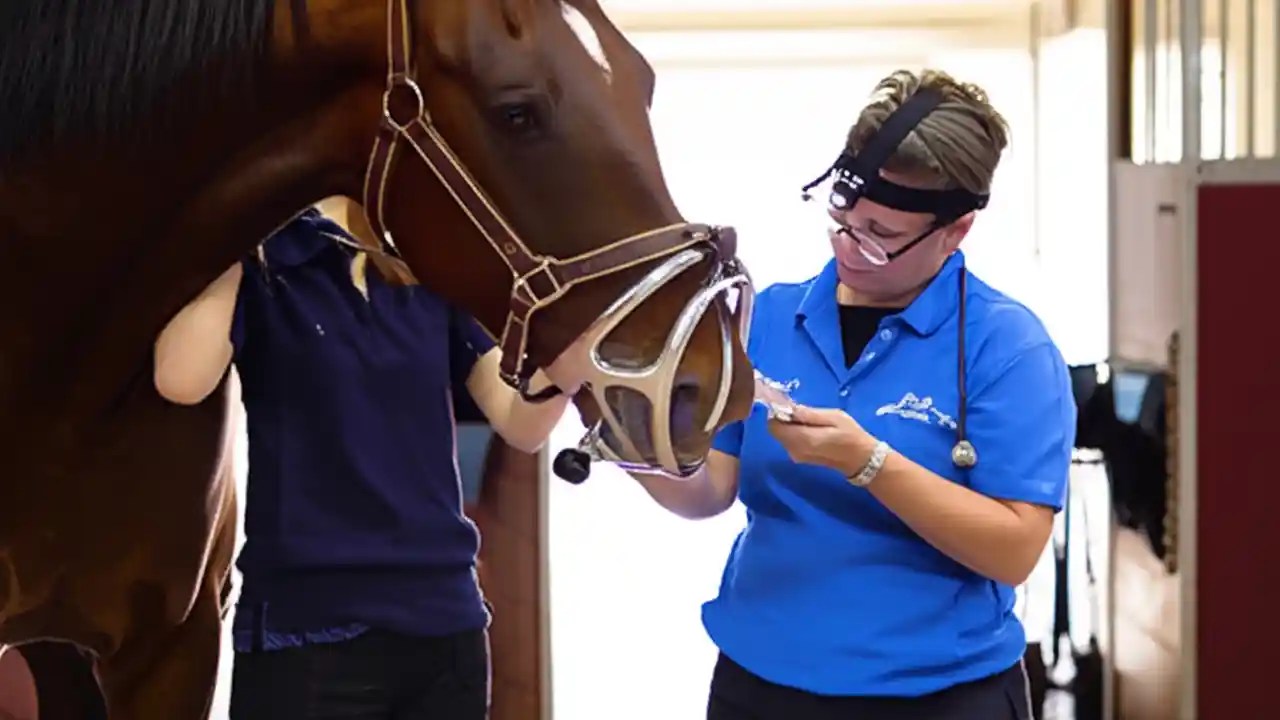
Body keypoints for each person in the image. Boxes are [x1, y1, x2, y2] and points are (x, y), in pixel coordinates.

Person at [632, 69, 1076, 720]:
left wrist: (869, 463)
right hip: (762, 685)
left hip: (940, 696)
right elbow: (708, 491)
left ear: (957, 232)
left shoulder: (1008, 349)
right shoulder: (769, 320)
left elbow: (1013, 552)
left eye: (882, 236)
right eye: (844, 220)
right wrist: (623, 433)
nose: (851, 247)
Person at [153, 198, 584, 720]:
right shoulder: (266, 258)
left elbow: (521, 422)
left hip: (446, 627)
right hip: (309, 633)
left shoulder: (429, 261)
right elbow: (180, 380)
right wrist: (234, 228)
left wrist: (569, 358)